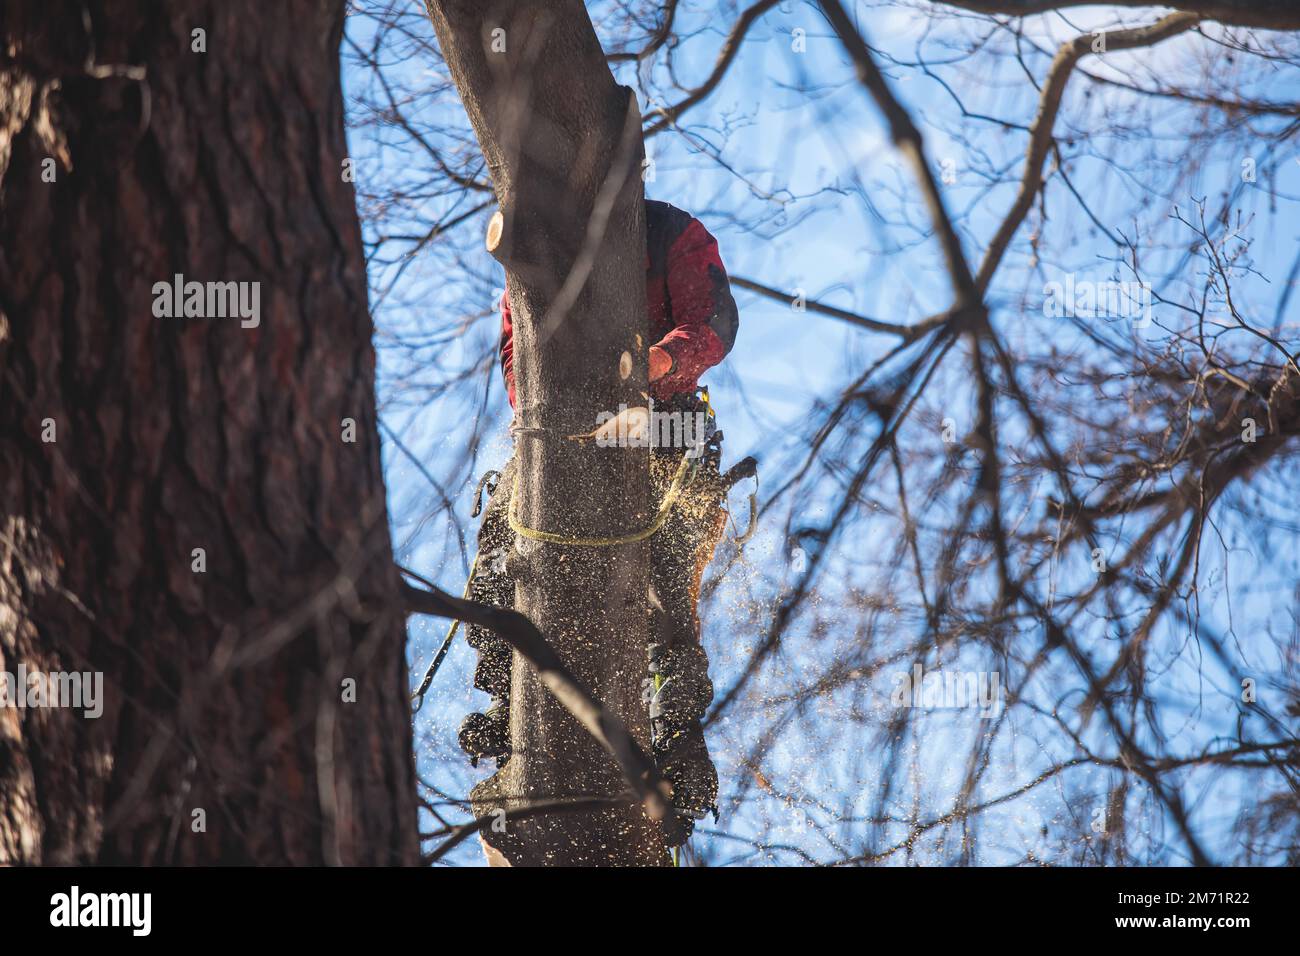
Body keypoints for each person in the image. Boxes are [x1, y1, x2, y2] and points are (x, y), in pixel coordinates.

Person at [458, 199, 739, 840]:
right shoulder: (536, 252)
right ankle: (509, 698)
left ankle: (677, 732)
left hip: (667, 420)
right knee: (502, 542)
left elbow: (716, 322)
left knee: (665, 570)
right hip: (562, 426)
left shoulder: (672, 232)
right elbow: (515, 349)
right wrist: (542, 412)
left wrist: (656, 365)